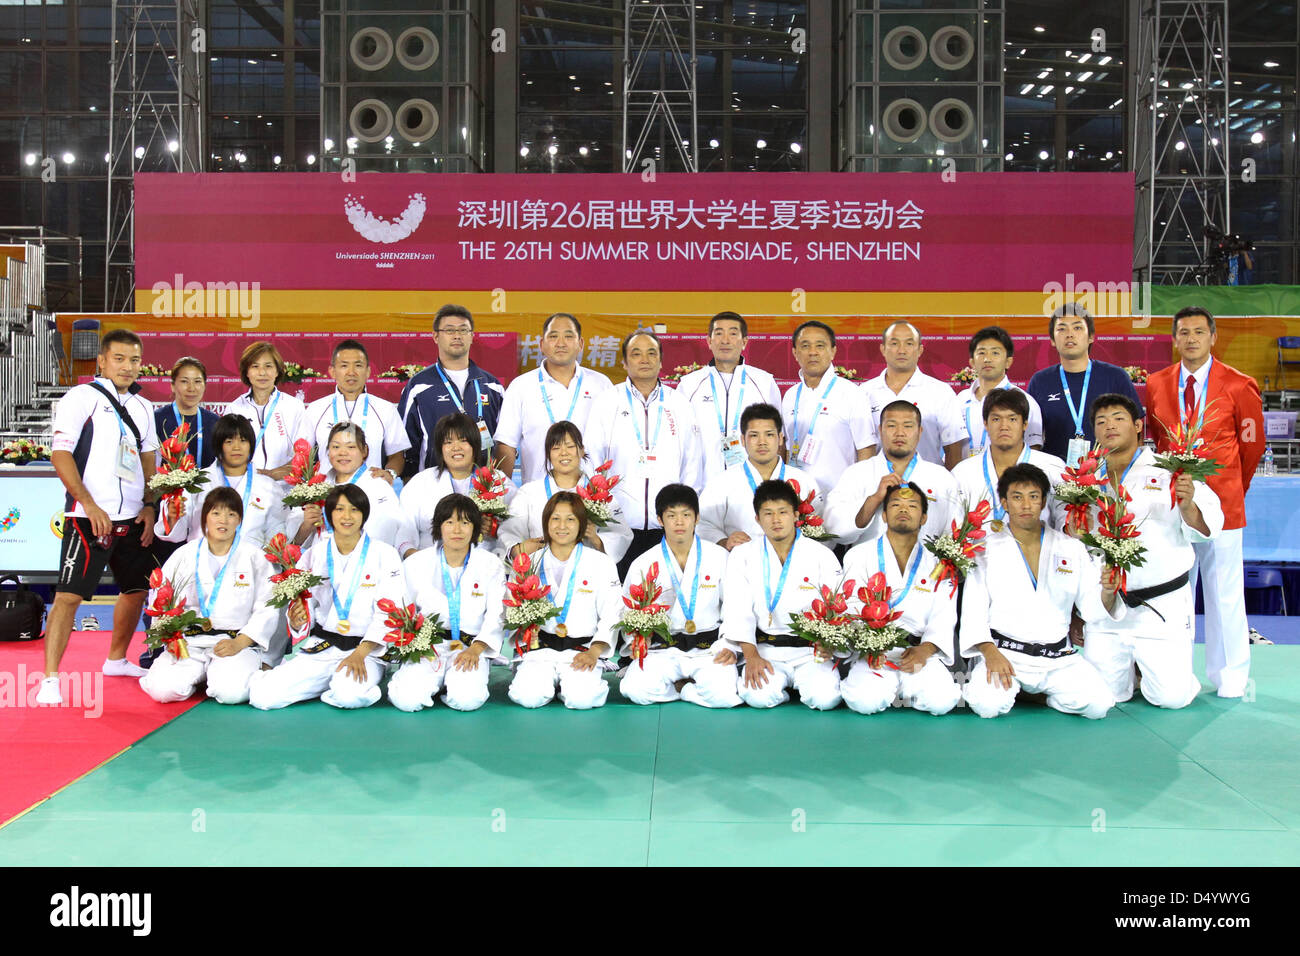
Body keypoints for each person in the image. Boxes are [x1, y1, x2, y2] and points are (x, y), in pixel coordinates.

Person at [1144, 306, 1264, 698]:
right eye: (1183, 332)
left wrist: (1231, 486)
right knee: (1176, 590)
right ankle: (1176, 674)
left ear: (1213, 337)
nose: (1191, 339)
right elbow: (1157, 444)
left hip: (1224, 501)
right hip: (1173, 502)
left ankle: (1231, 676)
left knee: (1224, 591)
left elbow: (1252, 446)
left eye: (1199, 332)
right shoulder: (1157, 383)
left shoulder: (1239, 384)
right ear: (1174, 339)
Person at [1080, 394, 1223, 710]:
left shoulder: (1168, 470)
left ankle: (1161, 670)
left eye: (1118, 418)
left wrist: (1188, 505)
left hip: (1160, 606)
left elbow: (1209, 525)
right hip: (1107, 604)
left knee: (1170, 698)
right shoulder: (1087, 479)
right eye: (1101, 422)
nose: (1109, 426)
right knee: (1103, 699)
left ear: (1138, 425)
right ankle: (1131, 670)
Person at [39, 329, 160, 705]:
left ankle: (116, 659)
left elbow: (148, 461)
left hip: (132, 518)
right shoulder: (81, 398)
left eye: (135, 360)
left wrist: (150, 506)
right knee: (69, 596)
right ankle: (50, 679)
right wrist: (88, 504)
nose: (128, 366)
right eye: (120, 359)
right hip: (88, 517)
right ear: (102, 361)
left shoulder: (143, 407)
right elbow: (60, 454)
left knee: (136, 590)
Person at [960, 464, 1121, 719]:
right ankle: (1023, 690)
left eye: (1033, 497)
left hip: (1058, 657)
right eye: (1017, 497)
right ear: (1003, 502)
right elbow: (973, 609)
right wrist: (990, 653)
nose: (1026, 505)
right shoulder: (985, 549)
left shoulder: (1071, 548)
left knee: (1099, 705)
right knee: (987, 706)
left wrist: (1109, 592)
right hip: (1006, 652)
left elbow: (1091, 607)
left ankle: (1037, 696)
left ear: (1044, 501)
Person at [249, 485, 406, 710]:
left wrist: (360, 653)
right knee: (263, 697)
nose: (347, 516)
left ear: (364, 515)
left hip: (364, 650)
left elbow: (390, 611)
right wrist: (297, 620)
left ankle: (342, 683)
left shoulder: (385, 554)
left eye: (354, 510)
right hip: (322, 647)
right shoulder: (316, 553)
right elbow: (305, 609)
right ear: (329, 514)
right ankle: (323, 681)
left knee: (348, 696)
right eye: (340, 509)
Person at [139, 488, 279, 705]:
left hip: (233, 642)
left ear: (239, 520)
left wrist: (241, 642)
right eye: (216, 513)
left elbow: (267, 606)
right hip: (189, 642)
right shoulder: (184, 554)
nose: (223, 520)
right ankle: (201, 673)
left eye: (231, 514)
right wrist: (170, 636)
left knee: (230, 693)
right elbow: (161, 599)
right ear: (205, 517)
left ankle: (226, 672)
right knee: (162, 692)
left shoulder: (254, 556)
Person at [584, 329, 705, 577]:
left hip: (669, 525)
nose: (644, 359)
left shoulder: (679, 403)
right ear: (624, 362)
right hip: (618, 527)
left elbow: (692, 464)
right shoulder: (607, 402)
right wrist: (603, 514)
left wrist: (684, 512)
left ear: (661, 361)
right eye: (636, 354)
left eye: (651, 353)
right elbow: (591, 462)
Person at [718, 479, 844, 710]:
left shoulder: (821, 555)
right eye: (768, 513)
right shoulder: (743, 555)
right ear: (757, 519)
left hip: (811, 652)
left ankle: (801, 686)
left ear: (796, 515)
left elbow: (837, 607)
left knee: (826, 699)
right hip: (766, 649)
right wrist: (752, 655)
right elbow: (737, 609)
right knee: (757, 697)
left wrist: (829, 643)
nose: (776, 520)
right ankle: (786, 691)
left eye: (783, 512)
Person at [839, 481, 961, 716]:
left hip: (919, 654)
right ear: (884, 515)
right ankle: (890, 689)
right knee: (865, 703)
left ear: (924, 518)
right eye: (896, 504)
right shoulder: (859, 555)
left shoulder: (938, 564)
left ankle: (899, 689)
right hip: (875, 654)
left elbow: (944, 615)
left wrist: (926, 650)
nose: (903, 509)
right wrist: (870, 646)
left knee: (942, 702)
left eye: (912, 505)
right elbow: (851, 605)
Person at [619, 484, 741, 708]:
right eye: (671, 515)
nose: (679, 522)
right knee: (635, 690)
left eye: (686, 515)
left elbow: (736, 607)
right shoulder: (644, 563)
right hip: (663, 650)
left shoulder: (719, 556)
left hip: (709, 649)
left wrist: (730, 646)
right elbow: (629, 611)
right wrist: (638, 639)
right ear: (659, 519)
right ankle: (687, 688)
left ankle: (682, 689)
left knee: (724, 696)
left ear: (696, 518)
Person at [387, 495, 508, 712]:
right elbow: (401, 609)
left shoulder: (490, 564)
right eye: (449, 522)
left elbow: (497, 614)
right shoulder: (415, 563)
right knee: (406, 700)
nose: (457, 530)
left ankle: (450, 682)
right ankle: (436, 681)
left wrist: (478, 649)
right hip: (428, 646)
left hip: (470, 647)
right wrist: (413, 644)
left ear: (475, 528)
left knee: (467, 701)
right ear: (439, 527)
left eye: (465, 522)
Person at [506, 492, 623, 710]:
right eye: (555, 519)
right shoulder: (528, 563)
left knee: (583, 700)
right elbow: (511, 609)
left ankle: (570, 683)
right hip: (539, 650)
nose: (562, 526)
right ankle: (551, 682)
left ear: (581, 525)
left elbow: (612, 614)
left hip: (582, 650)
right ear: (546, 522)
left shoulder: (601, 563)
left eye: (570, 519)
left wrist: (594, 652)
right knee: (528, 698)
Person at [494, 313, 613, 483]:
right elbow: (506, 446)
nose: (561, 343)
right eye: (553, 336)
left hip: (589, 496)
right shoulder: (520, 387)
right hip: (538, 497)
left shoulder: (602, 385)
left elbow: (612, 444)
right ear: (542, 344)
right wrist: (500, 498)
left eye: (569, 336)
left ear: (580, 344)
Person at [825, 400, 958, 548]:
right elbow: (834, 530)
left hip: (926, 568)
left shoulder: (941, 477)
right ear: (880, 430)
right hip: (868, 568)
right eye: (891, 425)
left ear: (920, 432)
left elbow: (953, 534)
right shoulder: (857, 473)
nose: (899, 433)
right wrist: (874, 500)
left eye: (908, 426)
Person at [497, 420, 632, 564]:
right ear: (548, 454)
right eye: (556, 448)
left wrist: (596, 539)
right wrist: (518, 549)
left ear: (581, 450)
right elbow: (508, 534)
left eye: (570, 446)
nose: (564, 453)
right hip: (541, 577)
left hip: (587, 577)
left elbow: (621, 535)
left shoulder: (599, 494)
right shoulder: (528, 493)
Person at [154, 413, 293, 551]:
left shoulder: (269, 487)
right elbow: (177, 533)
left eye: (243, 440)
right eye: (229, 441)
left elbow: (277, 532)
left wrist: (258, 563)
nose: (237, 447)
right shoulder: (196, 483)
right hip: (203, 563)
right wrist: (173, 518)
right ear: (219, 445)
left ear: (251, 445)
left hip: (251, 567)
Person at [397, 304, 506, 477]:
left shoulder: (493, 387)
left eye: (463, 330)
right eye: (449, 330)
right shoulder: (418, 387)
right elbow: (404, 443)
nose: (457, 336)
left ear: (472, 336)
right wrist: (411, 484)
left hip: (482, 488)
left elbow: (504, 442)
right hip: (433, 484)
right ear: (435, 336)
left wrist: (497, 483)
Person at [1027, 304, 1143, 465]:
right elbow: (1031, 437)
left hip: (1107, 473)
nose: (1070, 335)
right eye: (1062, 329)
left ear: (1091, 337)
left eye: (1077, 328)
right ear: (1052, 340)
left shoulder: (1115, 377)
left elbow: (1137, 431)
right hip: (1054, 474)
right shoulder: (1039, 381)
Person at [674, 311, 784, 480]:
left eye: (733, 333)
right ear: (709, 341)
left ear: (744, 342)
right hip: (701, 486)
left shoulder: (764, 382)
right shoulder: (689, 385)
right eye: (719, 333)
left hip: (753, 487)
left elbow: (779, 438)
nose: (725, 340)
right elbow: (677, 441)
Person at [698, 403, 821, 551]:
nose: (762, 442)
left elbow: (820, 529)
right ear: (743, 440)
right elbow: (702, 524)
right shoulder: (722, 482)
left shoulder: (804, 481)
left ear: (780, 438)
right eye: (754, 435)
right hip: (739, 565)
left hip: (792, 564)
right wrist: (724, 541)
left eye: (769, 434)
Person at [398, 411, 516, 556]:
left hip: (486, 568)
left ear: (475, 445)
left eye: (463, 440)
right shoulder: (420, 483)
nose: (456, 447)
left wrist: (495, 529)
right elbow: (403, 535)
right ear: (440, 448)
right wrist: (421, 563)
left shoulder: (499, 482)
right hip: (431, 568)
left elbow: (517, 532)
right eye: (448, 442)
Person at [949, 389, 1067, 532]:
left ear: (1024, 424)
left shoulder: (1053, 467)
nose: (1004, 426)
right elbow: (953, 523)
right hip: (979, 552)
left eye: (1012, 419)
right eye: (996, 419)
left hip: (1036, 552)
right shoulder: (963, 472)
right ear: (985, 424)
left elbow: (1064, 520)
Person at [782, 320, 877, 497]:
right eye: (805, 345)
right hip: (796, 498)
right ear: (795, 352)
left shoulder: (852, 394)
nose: (812, 352)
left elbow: (866, 451)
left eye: (820, 345)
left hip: (840, 498)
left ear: (833, 351)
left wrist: (861, 495)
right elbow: (786, 448)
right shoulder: (789, 396)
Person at [300, 338, 410, 480]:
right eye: (344, 366)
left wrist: (390, 474)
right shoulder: (315, 409)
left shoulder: (386, 409)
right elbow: (302, 457)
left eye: (358, 365)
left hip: (370, 492)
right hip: (327, 493)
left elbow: (397, 456)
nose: (351, 372)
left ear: (368, 371)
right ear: (332, 371)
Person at [860, 322, 966, 468]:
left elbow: (953, 448)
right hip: (878, 485)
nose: (901, 350)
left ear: (920, 350)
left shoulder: (940, 392)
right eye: (894, 343)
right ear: (883, 349)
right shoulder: (864, 392)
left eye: (909, 344)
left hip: (927, 485)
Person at [315, 423, 417, 557]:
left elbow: (390, 530)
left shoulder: (378, 484)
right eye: (336, 447)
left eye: (351, 447)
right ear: (328, 452)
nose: (343, 452)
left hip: (366, 562)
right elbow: (299, 535)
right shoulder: (318, 485)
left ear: (365, 451)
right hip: (321, 560)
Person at [955, 326, 1044, 457]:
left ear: (1008, 361)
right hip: (964, 475)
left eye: (995, 353)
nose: (987, 359)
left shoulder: (1025, 401)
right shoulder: (960, 400)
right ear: (972, 362)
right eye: (981, 353)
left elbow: (1033, 450)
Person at [225, 341, 307, 480]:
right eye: (255, 366)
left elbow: (304, 453)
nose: (262, 372)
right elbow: (227, 453)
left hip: (285, 489)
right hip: (246, 486)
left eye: (268, 366)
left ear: (277, 371)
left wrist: (275, 474)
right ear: (247, 372)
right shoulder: (234, 408)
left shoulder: (294, 406)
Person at [153, 356, 219, 472]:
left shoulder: (215, 422)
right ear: (172, 386)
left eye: (197, 381)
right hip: (167, 489)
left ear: (205, 385)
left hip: (208, 489)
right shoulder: (157, 420)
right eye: (184, 381)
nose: (191, 388)